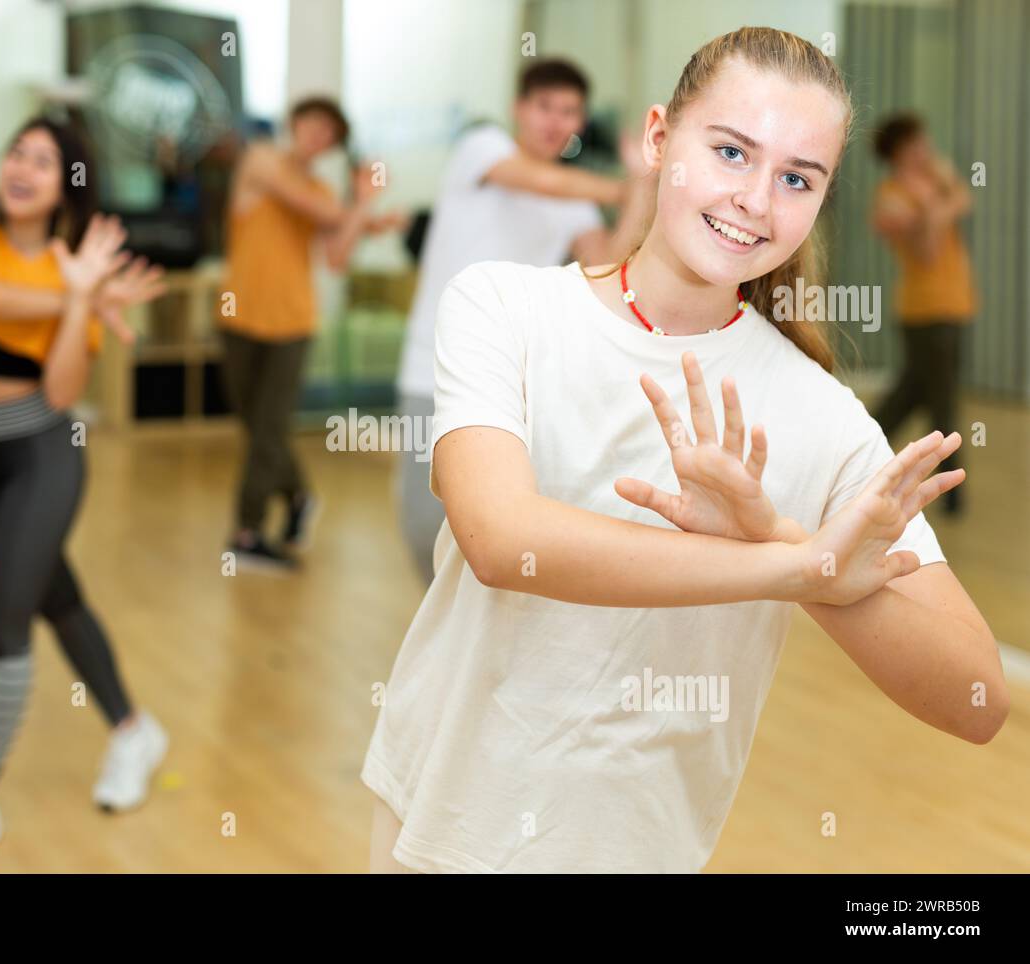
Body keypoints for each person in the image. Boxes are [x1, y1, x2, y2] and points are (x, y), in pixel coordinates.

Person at [362, 27, 1007, 874]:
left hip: (636, 850)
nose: (755, 199)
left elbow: (977, 697)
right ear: (659, 138)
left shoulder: (824, 414)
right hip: (437, 825)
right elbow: (500, 539)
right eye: (732, 152)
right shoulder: (502, 307)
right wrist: (801, 566)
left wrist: (771, 532)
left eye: (796, 178)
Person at [0, 118, 168, 871]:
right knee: (57, 598)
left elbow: (61, 391)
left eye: (45, 161)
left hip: (41, 455)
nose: (23, 167)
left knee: (6, 613)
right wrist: (75, 297)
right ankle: (134, 731)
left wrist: (78, 303)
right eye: (17, 151)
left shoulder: (75, 277)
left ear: (68, 187)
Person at [395, 59, 654, 584]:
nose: (556, 122)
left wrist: (643, 186)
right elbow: (535, 180)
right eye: (545, 107)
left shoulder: (575, 200)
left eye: (570, 111)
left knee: (499, 522)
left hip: (517, 380)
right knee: (424, 526)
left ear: (581, 122)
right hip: (433, 367)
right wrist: (620, 189)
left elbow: (607, 267)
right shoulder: (484, 147)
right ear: (520, 109)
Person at [218, 95, 401, 569]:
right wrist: (364, 210)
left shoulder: (322, 191)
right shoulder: (261, 160)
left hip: (293, 322)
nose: (318, 138)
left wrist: (363, 210)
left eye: (329, 135)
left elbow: (337, 256)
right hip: (238, 316)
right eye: (314, 126)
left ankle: (248, 530)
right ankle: (299, 495)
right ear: (295, 123)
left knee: (269, 430)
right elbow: (318, 213)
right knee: (255, 426)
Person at [869, 112, 976, 515]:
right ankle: (953, 493)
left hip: (954, 305)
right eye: (917, 142)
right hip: (927, 312)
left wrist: (940, 198)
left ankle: (863, 450)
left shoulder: (931, 185)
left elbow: (966, 197)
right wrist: (936, 204)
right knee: (942, 402)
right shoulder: (892, 196)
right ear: (899, 152)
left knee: (912, 393)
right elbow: (928, 249)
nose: (926, 148)